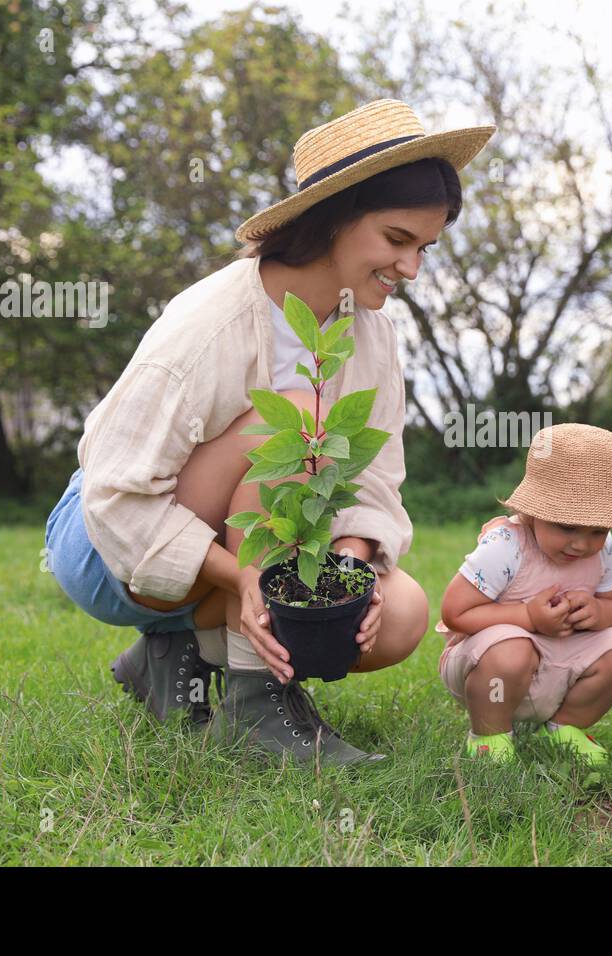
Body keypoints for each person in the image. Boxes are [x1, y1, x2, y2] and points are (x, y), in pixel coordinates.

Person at [45, 99, 495, 766]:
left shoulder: (372, 335)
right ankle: (256, 708)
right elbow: (117, 494)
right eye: (397, 240)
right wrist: (244, 578)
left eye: (425, 249)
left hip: (230, 554)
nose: (412, 270)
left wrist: (352, 565)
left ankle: (172, 661)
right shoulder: (210, 321)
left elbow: (373, 477)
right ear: (336, 217)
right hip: (107, 542)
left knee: (398, 614)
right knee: (297, 425)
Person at [436, 424, 612, 766]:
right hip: (488, 666)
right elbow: (455, 612)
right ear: (534, 512)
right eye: (567, 526)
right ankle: (490, 735)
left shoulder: (603, 551)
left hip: (558, 665)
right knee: (512, 650)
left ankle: (565, 726)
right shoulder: (507, 545)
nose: (581, 544)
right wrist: (527, 617)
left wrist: (597, 611)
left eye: (597, 530)